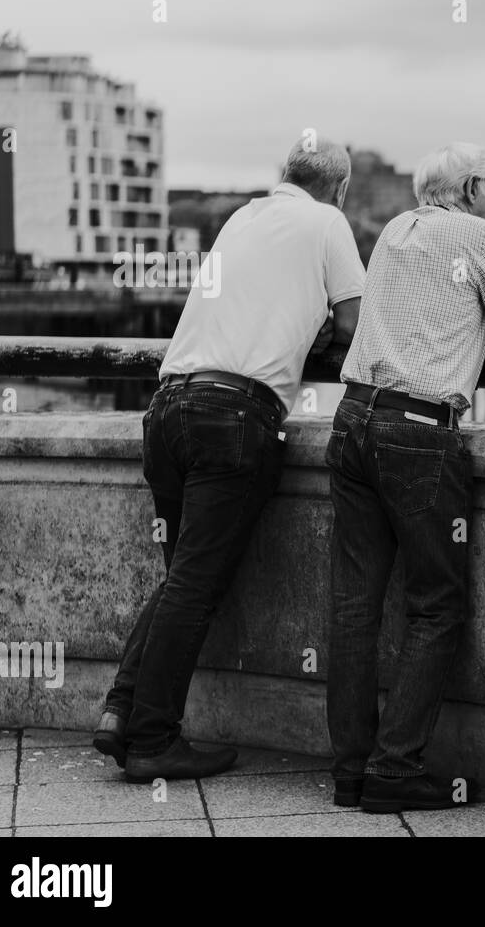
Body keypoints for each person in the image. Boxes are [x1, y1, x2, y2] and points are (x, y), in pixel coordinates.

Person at [93, 137, 365, 782]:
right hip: (234, 416)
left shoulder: (242, 217)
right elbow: (355, 325)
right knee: (195, 584)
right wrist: (320, 327)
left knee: (182, 577)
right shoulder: (328, 223)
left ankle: (121, 711)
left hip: (168, 407)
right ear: (342, 189)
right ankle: (153, 740)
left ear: (284, 177)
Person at [327, 142, 485, 812]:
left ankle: (350, 770)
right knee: (436, 604)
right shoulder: (476, 235)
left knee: (354, 605)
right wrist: (479, 343)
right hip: (418, 433)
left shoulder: (395, 229)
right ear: (472, 186)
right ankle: (395, 769)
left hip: (352, 419)